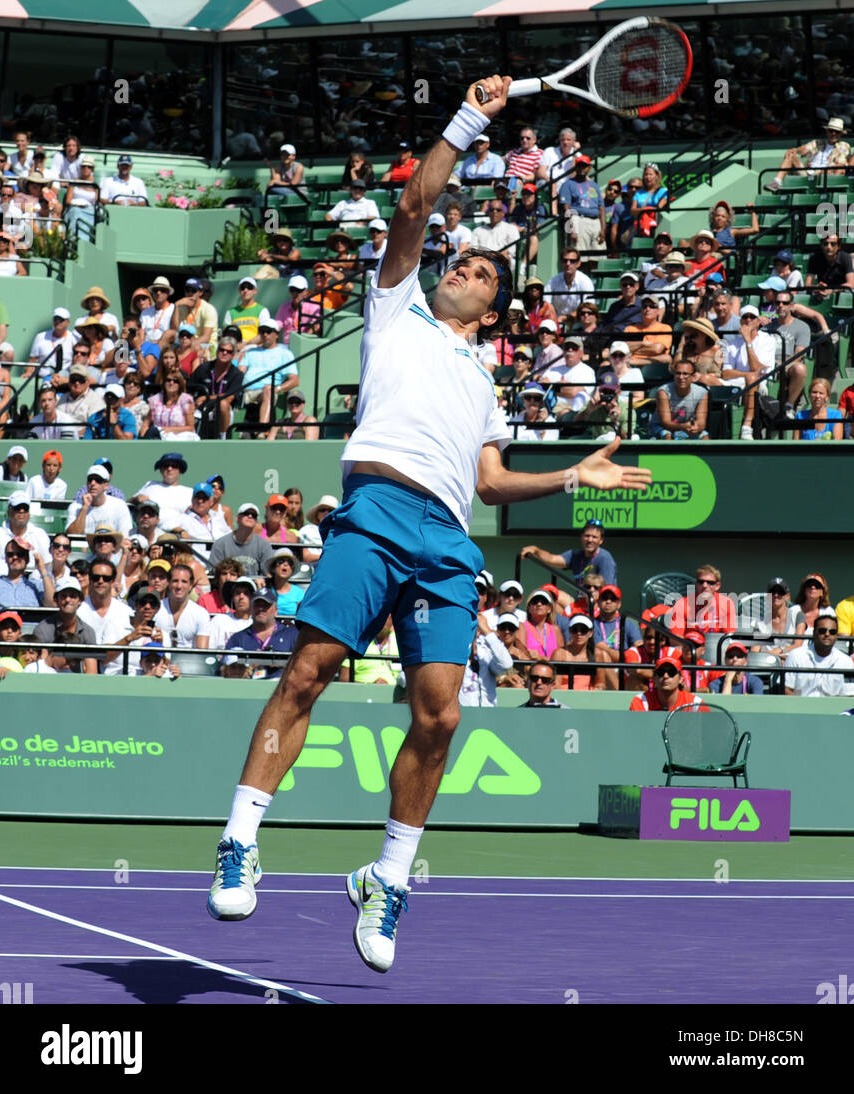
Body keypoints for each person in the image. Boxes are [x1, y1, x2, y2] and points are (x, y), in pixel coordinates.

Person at [205, 72, 652, 971]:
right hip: (375, 508)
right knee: (312, 668)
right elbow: (414, 202)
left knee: (441, 715)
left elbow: (489, 485)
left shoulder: (486, 381)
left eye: (484, 272)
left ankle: (389, 879)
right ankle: (241, 837)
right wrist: (470, 117)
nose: (466, 268)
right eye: (463, 260)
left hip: (446, 537)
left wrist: (571, 474)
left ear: (495, 307)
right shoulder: (394, 310)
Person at [521, 519, 617, 585]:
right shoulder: (575, 555)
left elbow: (606, 590)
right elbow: (552, 559)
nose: (590, 540)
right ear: (581, 537)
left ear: (601, 540)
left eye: (594, 537)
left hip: (599, 606)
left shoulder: (605, 558)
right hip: (580, 603)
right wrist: (536, 550)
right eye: (587, 536)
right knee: (553, 596)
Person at [784, 612, 854, 698]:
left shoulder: (846, 662)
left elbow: (849, 696)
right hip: (799, 708)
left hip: (833, 709)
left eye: (832, 632)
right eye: (822, 631)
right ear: (814, 633)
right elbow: (786, 689)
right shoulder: (796, 656)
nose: (827, 634)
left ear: (836, 636)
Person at [629, 656, 706, 711]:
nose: (665, 676)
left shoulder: (695, 704)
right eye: (661, 672)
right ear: (654, 679)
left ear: (680, 679)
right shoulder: (641, 701)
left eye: (671, 672)